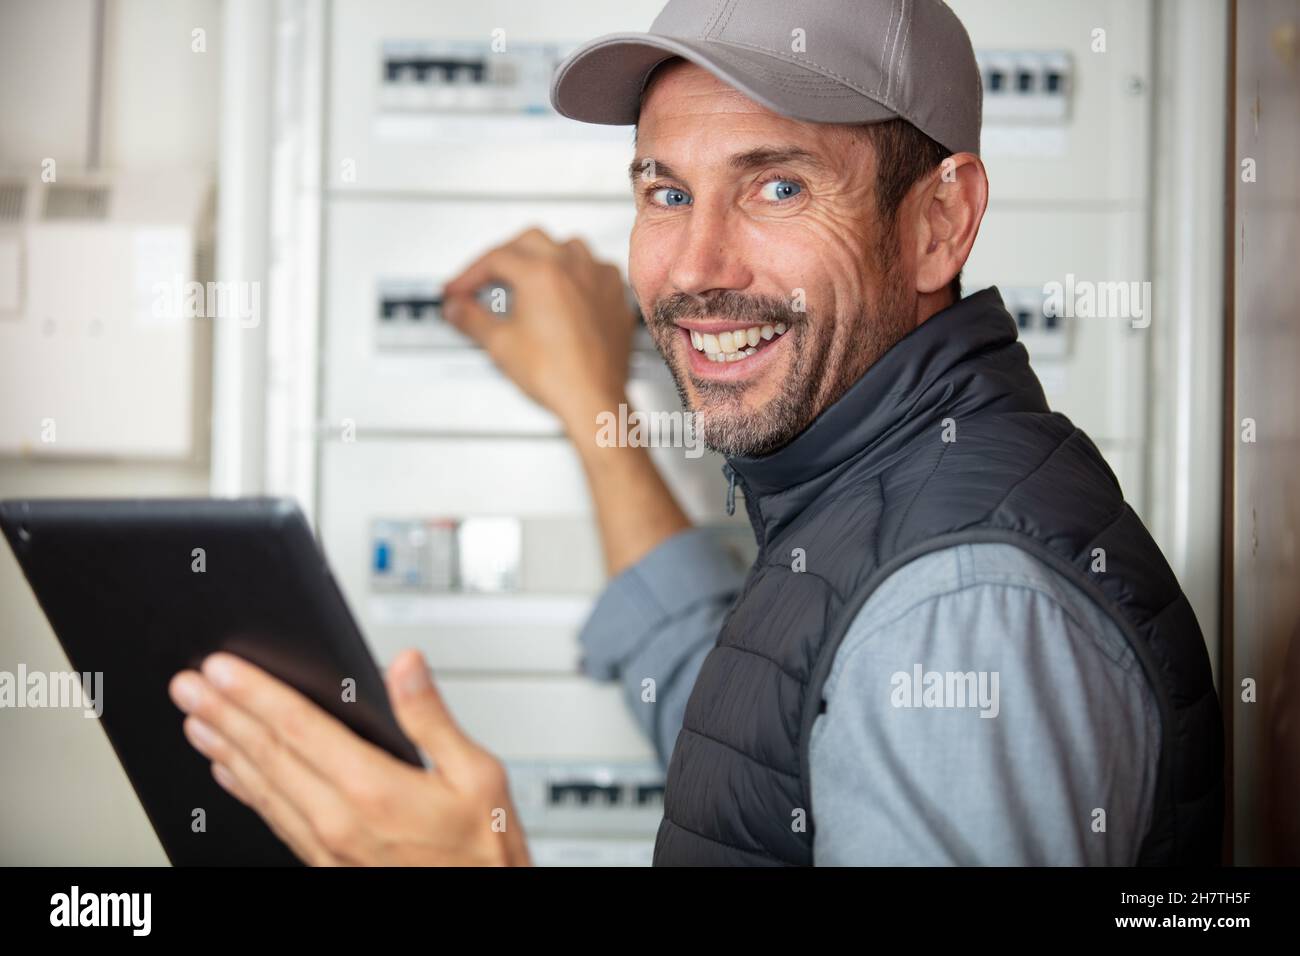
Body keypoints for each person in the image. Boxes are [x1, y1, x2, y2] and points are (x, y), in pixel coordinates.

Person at [168, 0, 1223, 865]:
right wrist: (597, 411)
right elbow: (754, 750)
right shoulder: (882, 497)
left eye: (777, 185)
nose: (696, 266)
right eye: (666, 192)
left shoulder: (960, 607)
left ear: (937, 223)